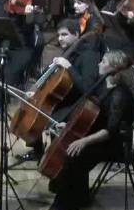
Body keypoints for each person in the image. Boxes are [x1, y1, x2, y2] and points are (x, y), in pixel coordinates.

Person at [45, 50, 134, 210]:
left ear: (114, 68)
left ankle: (68, 202)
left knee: (74, 152)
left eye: (104, 61)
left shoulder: (120, 95)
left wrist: (83, 141)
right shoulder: (104, 84)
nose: (99, 64)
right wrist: (69, 125)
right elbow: (94, 116)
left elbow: (110, 131)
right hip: (98, 135)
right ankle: (79, 194)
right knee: (67, 142)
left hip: (112, 143)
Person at [17, 18, 100, 164]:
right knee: (40, 108)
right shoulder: (69, 52)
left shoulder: (89, 55)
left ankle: (52, 155)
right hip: (64, 98)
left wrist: (69, 67)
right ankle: (38, 149)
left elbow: (88, 88)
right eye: (59, 35)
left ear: (76, 34)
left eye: (64, 34)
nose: (60, 38)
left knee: (47, 114)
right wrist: (38, 90)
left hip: (78, 103)